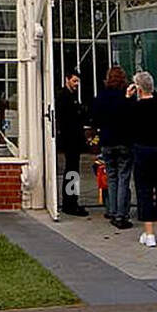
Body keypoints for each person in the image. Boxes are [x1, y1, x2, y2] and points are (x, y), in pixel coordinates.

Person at [126, 71, 157, 247]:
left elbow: (127, 127)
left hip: (142, 152)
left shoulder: (135, 107)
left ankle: (149, 233)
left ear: (137, 88)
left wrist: (128, 98)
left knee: (144, 191)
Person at [90, 65, 133, 229]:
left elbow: (95, 118)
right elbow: (131, 115)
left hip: (107, 140)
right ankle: (121, 213)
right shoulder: (126, 96)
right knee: (124, 178)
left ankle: (112, 210)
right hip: (124, 141)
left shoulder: (101, 96)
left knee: (112, 177)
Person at [55, 72, 89, 216]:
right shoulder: (64, 97)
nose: (76, 84)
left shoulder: (70, 96)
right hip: (71, 139)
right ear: (66, 79)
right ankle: (70, 203)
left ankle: (72, 201)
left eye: (78, 81)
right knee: (72, 171)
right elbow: (71, 116)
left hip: (73, 138)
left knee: (73, 170)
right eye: (74, 81)